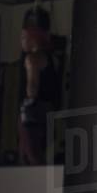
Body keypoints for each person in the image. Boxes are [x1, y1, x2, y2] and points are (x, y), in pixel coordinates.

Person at [17, 14, 60, 166]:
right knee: (36, 152)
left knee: (30, 153)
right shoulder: (50, 58)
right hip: (48, 110)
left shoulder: (32, 58)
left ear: (33, 37)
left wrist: (27, 106)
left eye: (24, 37)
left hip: (34, 109)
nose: (22, 41)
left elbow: (32, 86)